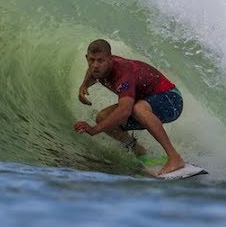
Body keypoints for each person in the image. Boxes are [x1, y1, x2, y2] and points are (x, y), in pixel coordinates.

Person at [73, 39, 186, 176]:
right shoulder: (98, 67)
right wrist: (84, 85)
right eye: (92, 60)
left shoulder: (123, 73)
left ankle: (174, 157)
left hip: (172, 100)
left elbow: (125, 111)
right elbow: (93, 70)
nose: (95, 65)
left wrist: (94, 130)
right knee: (103, 118)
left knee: (138, 109)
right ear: (87, 58)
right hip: (147, 101)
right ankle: (138, 151)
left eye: (100, 60)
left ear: (110, 59)